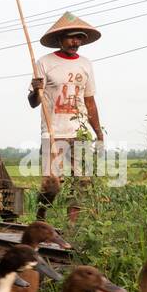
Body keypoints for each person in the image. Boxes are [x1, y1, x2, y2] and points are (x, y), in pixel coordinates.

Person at [27, 12, 103, 224]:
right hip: (53, 132)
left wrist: (98, 132)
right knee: (52, 184)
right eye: (71, 37)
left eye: (79, 37)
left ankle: (72, 227)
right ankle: (41, 218)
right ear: (59, 39)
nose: (75, 41)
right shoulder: (44, 63)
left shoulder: (86, 64)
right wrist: (35, 90)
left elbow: (89, 102)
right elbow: (34, 102)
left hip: (79, 132)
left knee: (81, 183)